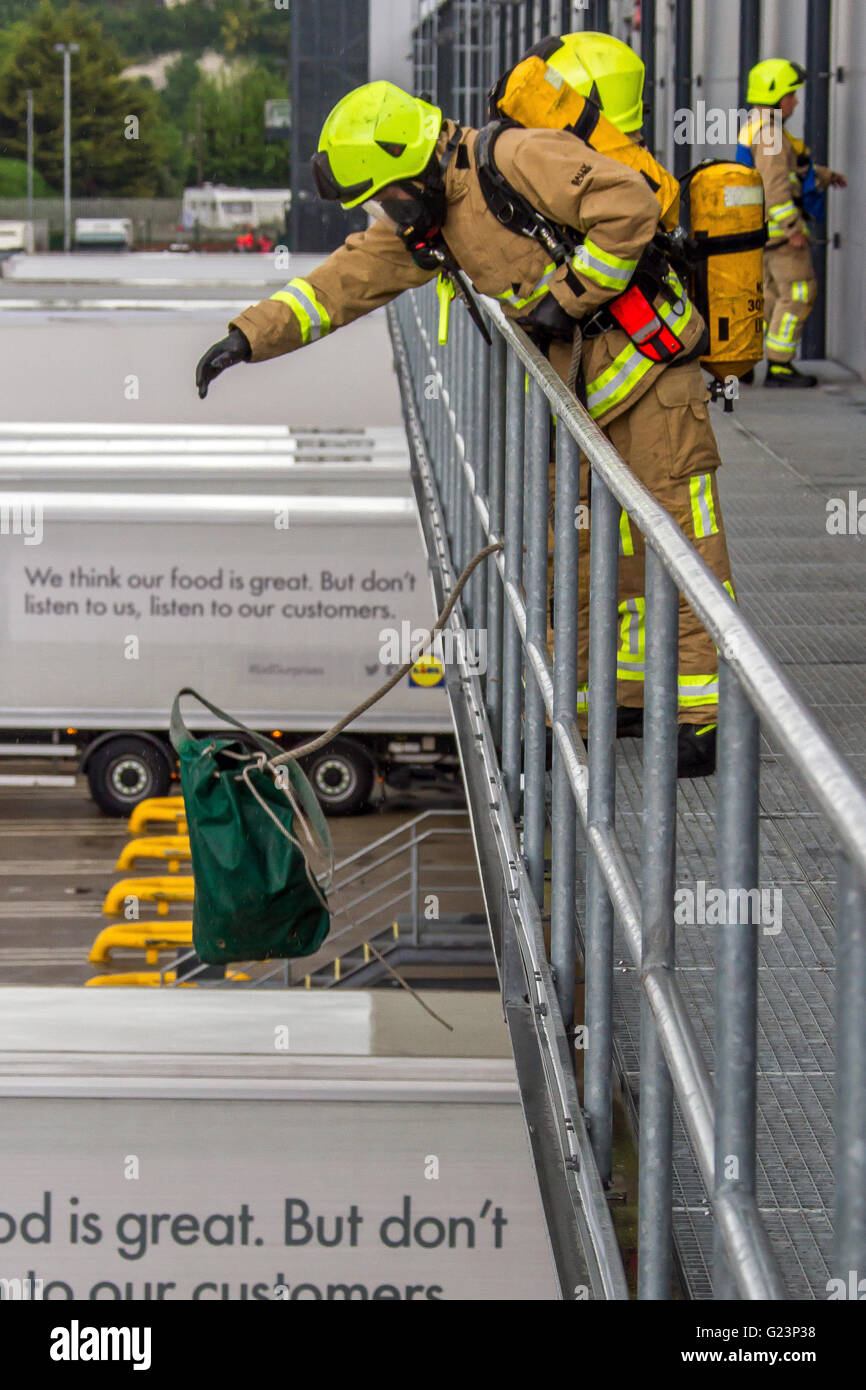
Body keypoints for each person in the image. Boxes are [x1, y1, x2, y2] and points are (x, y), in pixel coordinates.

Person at [196, 75, 729, 776]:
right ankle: (612, 700)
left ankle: (705, 721)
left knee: (682, 545)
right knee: (576, 554)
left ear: (413, 164)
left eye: (387, 196)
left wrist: (566, 299)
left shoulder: (514, 160)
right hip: (580, 404)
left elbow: (628, 204)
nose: (389, 214)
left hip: (654, 384)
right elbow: (340, 283)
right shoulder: (432, 218)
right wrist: (246, 337)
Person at [737, 59, 847, 388]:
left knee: (770, 295)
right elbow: (775, 187)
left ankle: (750, 357)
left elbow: (789, 171)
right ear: (776, 96)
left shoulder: (758, 126)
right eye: (791, 94)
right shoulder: (770, 133)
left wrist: (825, 176)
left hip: (761, 233)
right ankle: (780, 365)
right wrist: (793, 229)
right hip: (779, 236)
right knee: (799, 291)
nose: (796, 101)